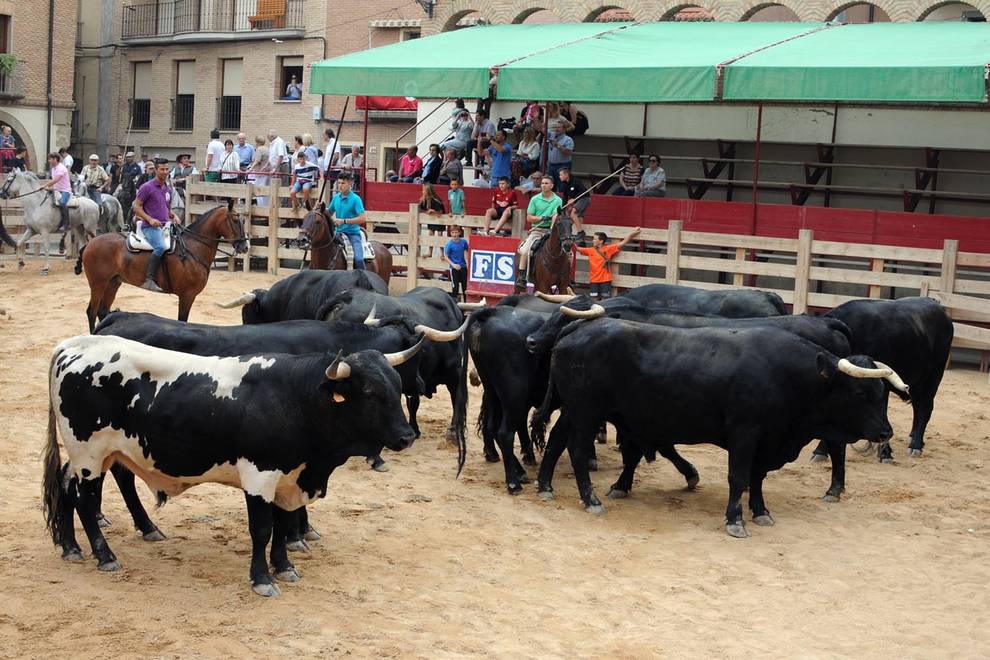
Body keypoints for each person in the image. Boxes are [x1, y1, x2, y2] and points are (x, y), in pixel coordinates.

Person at [133, 158, 181, 292]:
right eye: (162, 169)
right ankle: (149, 279)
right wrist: (150, 219)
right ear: (155, 170)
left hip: (165, 226)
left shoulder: (168, 189)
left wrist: (173, 215)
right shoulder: (147, 187)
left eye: (167, 169)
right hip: (149, 227)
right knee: (160, 247)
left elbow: (166, 209)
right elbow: (136, 207)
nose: (165, 172)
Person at [516, 176, 563, 291]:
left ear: (552, 186)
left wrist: (551, 230)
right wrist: (541, 218)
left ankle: (565, 278)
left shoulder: (558, 200)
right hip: (537, 230)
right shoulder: (535, 199)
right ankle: (522, 277)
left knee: (568, 253)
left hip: (551, 231)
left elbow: (556, 216)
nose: (543, 185)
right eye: (542, 183)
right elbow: (529, 218)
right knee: (525, 251)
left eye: (546, 183)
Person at [576, 227, 641, 300]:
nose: (593, 241)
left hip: (605, 280)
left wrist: (633, 233)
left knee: (605, 300)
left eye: (594, 239)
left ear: (601, 241)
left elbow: (623, 242)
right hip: (594, 280)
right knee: (594, 299)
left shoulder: (608, 249)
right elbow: (577, 248)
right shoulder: (590, 250)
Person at [326, 174, 366, 269]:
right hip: (338, 234)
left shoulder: (356, 199)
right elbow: (329, 213)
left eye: (343, 183)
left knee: (359, 259)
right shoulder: (336, 198)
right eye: (339, 183)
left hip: (352, 234)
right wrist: (320, 209)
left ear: (350, 183)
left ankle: (364, 278)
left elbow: (362, 218)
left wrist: (344, 221)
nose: (340, 185)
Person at [43, 152, 73, 232]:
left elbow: (56, 180)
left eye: (50, 159)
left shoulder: (61, 168)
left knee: (62, 202)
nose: (49, 161)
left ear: (55, 159)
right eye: (49, 159)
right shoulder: (53, 169)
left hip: (65, 190)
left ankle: (66, 224)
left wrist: (45, 185)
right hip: (56, 190)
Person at [556, 168, 588, 238]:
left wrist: (574, 198)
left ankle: (580, 232)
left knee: (573, 213)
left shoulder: (576, 181)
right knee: (579, 216)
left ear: (566, 174)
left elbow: (583, 192)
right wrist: (563, 208)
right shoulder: (564, 184)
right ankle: (581, 236)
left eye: (561, 175)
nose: (559, 176)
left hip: (584, 199)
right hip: (578, 201)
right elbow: (565, 197)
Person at [442, 225, 469, 302]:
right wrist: (453, 265)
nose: (454, 234)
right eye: (452, 232)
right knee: (455, 287)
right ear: (450, 233)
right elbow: (446, 256)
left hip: (463, 267)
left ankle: (466, 304)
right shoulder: (449, 244)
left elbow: (469, 250)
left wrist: (468, 262)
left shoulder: (463, 242)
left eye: (456, 232)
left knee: (465, 287)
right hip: (454, 268)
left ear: (459, 233)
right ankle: (455, 304)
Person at [251, 135, 271, 207]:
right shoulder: (268, 149)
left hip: (260, 174)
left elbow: (257, 160)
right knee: (266, 191)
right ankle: (266, 207)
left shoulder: (259, 149)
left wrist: (250, 169)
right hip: (267, 173)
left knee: (259, 191)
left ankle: (261, 208)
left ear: (257, 142)